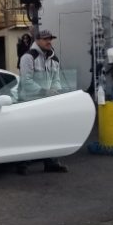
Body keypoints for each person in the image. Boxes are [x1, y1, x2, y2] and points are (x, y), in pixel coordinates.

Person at [16, 29, 68, 175]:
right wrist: (45, 91)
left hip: (46, 101)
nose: (48, 41)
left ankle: (51, 163)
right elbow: (26, 81)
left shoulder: (54, 59)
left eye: (50, 39)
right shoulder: (28, 57)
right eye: (45, 39)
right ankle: (22, 164)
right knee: (29, 133)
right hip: (29, 101)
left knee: (50, 132)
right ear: (37, 40)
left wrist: (56, 91)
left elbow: (56, 79)